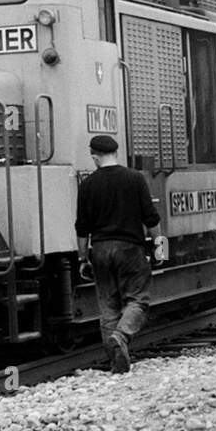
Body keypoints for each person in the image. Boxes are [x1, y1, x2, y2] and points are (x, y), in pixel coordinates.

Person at [74, 134, 161, 373]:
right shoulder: (135, 179)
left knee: (108, 307)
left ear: (94, 156)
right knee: (138, 300)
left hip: (100, 250)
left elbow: (82, 227)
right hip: (129, 248)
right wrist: (160, 247)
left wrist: (83, 258)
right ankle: (121, 337)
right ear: (117, 153)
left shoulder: (87, 185)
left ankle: (115, 361)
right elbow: (151, 218)